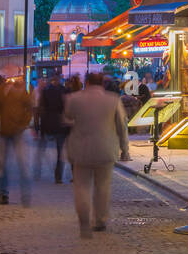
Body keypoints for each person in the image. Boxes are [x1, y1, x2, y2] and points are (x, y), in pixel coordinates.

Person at [63, 72, 130, 238]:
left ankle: (84, 220)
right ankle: (100, 220)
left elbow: (68, 118)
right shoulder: (113, 100)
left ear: (86, 83)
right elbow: (122, 125)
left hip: (81, 149)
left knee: (82, 187)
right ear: (102, 84)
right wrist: (125, 149)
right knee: (103, 187)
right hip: (105, 149)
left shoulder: (74, 99)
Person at [0, 74, 34, 205]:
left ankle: (25, 193)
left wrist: (23, 123)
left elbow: (29, 107)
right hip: (3, 131)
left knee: (23, 163)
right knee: (2, 163)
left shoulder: (20, 89)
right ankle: (3, 192)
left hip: (18, 131)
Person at [36, 74, 69, 184]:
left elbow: (42, 108)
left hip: (48, 123)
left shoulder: (45, 91)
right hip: (61, 124)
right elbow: (67, 108)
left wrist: (39, 126)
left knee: (42, 148)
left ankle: (37, 170)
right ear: (59, 80)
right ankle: (58, 176)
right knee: (60, 152)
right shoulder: (64, 91)